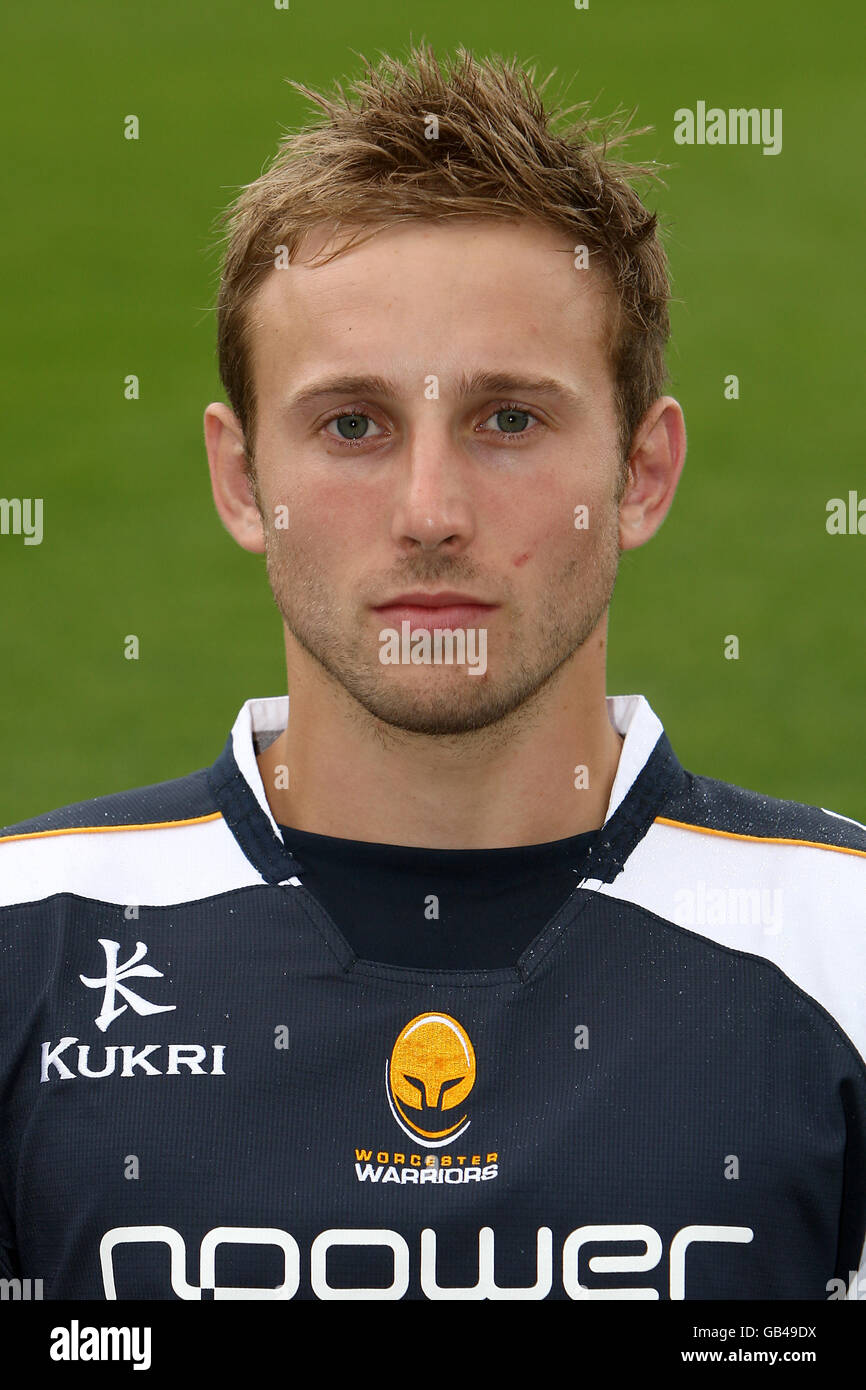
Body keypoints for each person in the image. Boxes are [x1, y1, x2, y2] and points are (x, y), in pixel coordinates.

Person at [0, 43, 863, 1302]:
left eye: (508, 418)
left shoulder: (841, 951)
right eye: (351, 424)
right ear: (243, 480)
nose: (429, 511)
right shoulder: (25, 948)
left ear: (639, 471)